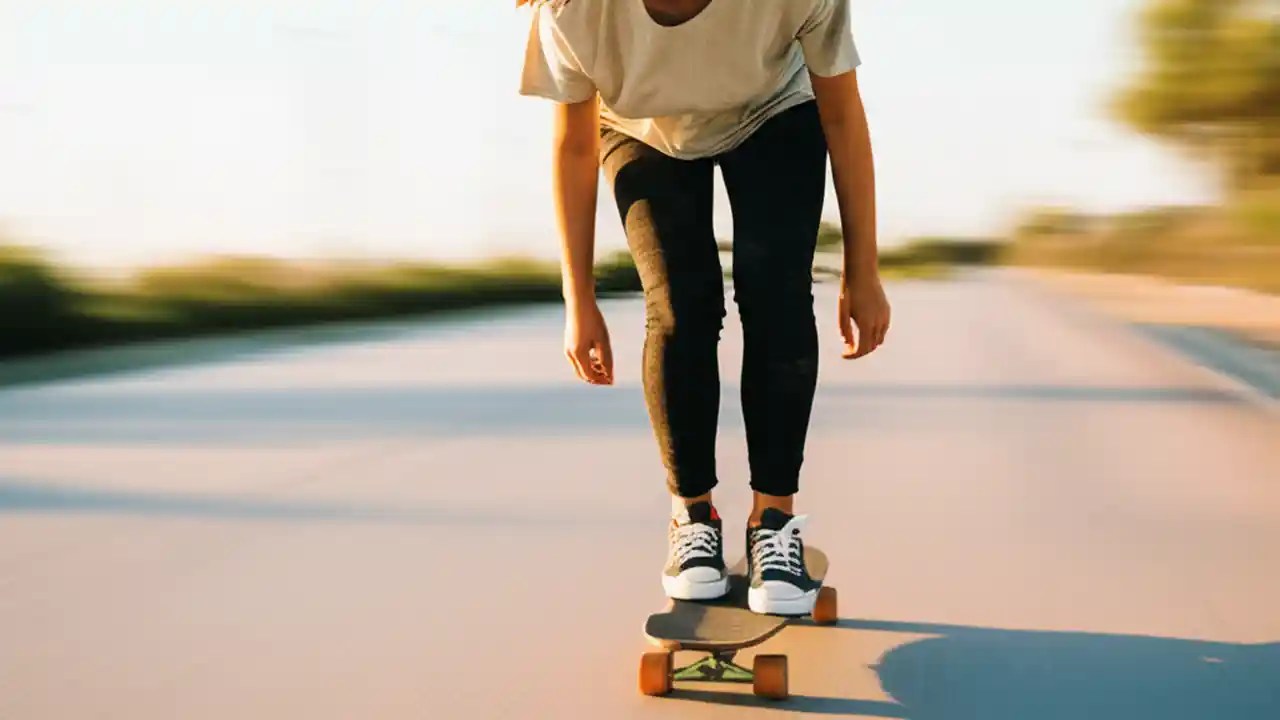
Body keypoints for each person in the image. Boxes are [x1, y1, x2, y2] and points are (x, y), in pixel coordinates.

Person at [518, 0, 890, 615]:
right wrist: (577, 298)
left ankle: (774, 524)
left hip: (773, 109)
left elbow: (843, 116)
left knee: (775, 292)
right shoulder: (574, 10)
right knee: (679, 306)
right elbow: (574, 147)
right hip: (641, 129)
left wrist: (863, 270)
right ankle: (692, 517)